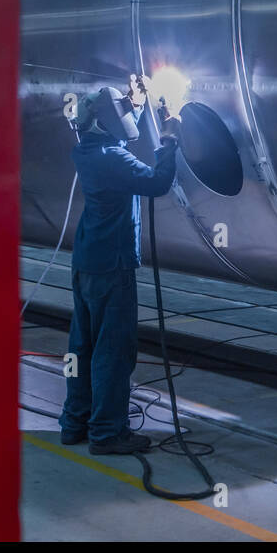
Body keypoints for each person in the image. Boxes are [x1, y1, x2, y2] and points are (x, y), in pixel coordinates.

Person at [61, 74, 181, 455]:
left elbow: (116, 126)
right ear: (106, 121)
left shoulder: (89, 150)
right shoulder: (112, 158)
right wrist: (170, 138)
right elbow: (158, 182)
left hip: (86, 263)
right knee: (113, 351)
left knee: (82, 348)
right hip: (112, 265)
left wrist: (137, 101)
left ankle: (74, 423)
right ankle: (108, 432)